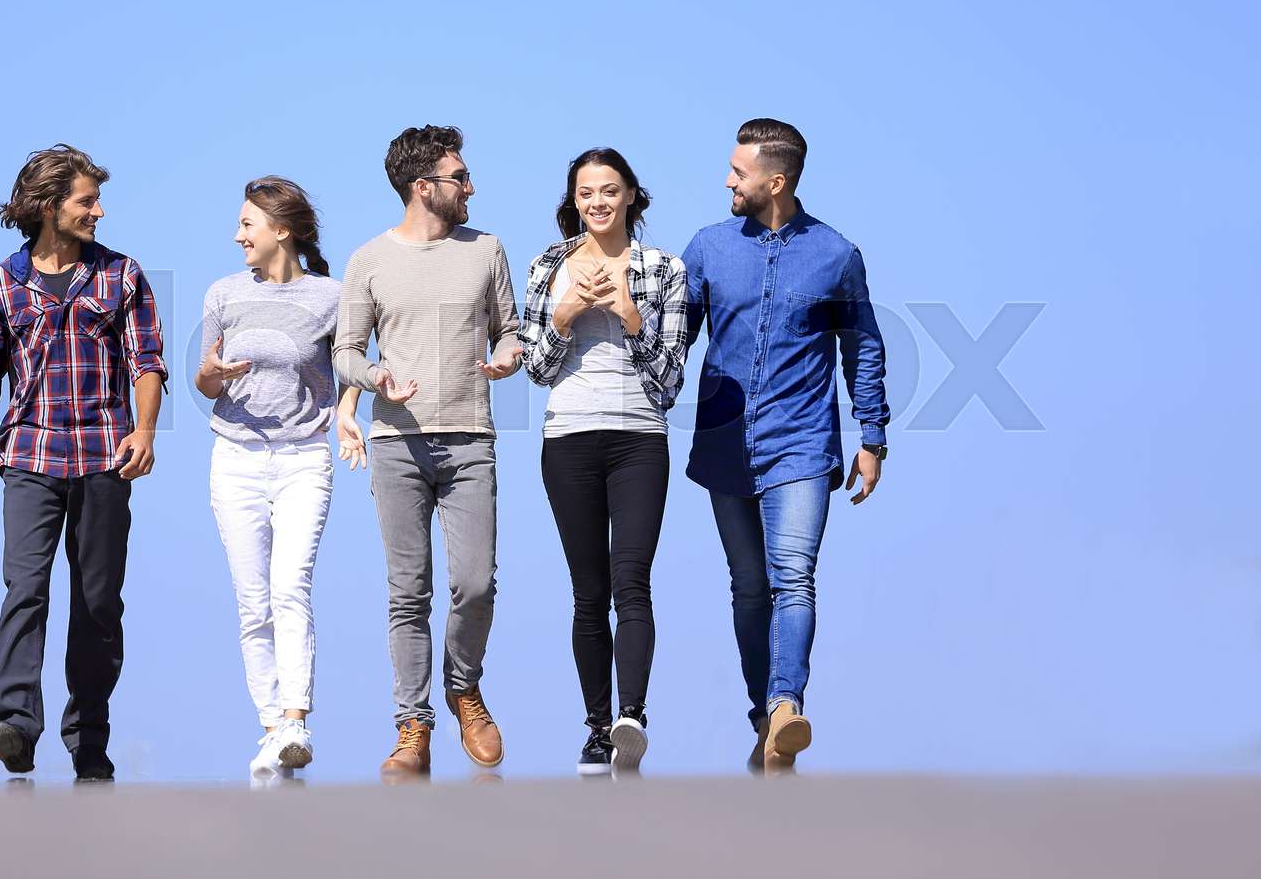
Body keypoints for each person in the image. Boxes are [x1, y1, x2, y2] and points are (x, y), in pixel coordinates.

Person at [0, 144, 167, 782]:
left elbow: (148, 363)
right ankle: (15, 720)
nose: (99, 211)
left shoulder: (121, 276)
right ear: (48, 207)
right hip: (30, 457)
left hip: (105, 457)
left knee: (98, 602)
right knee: (25, 589)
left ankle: (89, 739)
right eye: (86, 200)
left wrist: (146, 431)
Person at [682, 118, 889, 774]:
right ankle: (763, 718)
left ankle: (785, 703)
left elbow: (863, 346)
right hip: (723, 444)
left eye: (737, 172)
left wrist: (873, 435)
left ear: (776, 180)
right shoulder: (709, 247)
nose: (726, 181)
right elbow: (670, 339)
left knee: (792, 574)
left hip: (801, 443)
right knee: (748, 588)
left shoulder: (836, 255)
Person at [333, 125, 523, 778]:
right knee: (407, 593)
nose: (471, 187)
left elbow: (512, 331)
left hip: (471, 438)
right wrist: (373, 377)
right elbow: (345, 351)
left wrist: (505, 356)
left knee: (475, 582)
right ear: (424, 187)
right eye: (460, 177)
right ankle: (413, 726)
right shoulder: (369, 260)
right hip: (396, 445)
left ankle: (463, 686)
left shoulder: (487, 249)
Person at [518, 148, 688, 776]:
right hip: (568, 440)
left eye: (610, 191)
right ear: (574, 199)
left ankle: (632, 718)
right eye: (587, 192)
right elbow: (536, 369)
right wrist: (565, 315)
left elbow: (669, 382)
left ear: (632, 197)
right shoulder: (547, 266)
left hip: (640, 438)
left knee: (631, 580)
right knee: (587, 592)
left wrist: (630, 316)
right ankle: (595, 728)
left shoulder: (663, 269)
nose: (599, 202)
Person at [196, 177, 366, 781]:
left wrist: (346, 416)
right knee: (252, 602)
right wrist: (212, 375)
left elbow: (349, 364)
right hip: (235, 458)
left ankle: (296, 722)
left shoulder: (331, 296)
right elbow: (206, 381)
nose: (237, 235)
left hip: (302, 459)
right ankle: (270, 728)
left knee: (290, 587)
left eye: (247, 224)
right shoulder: (223, 293)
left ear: (281, 231)